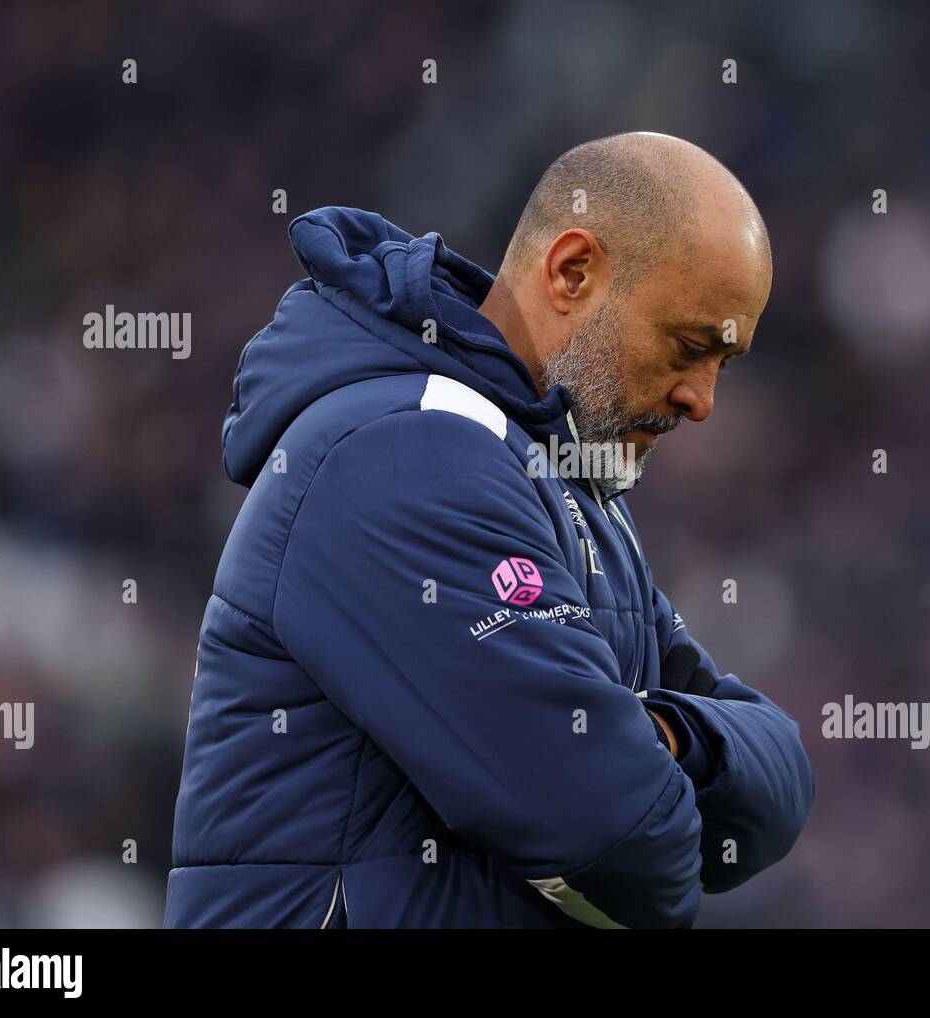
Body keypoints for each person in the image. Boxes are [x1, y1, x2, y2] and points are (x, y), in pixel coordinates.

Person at [164, 131, 815, 929]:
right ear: (573, 272)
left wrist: (669, 738)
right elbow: (624, 843)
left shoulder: (568, 483)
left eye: (725, 362)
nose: (702, 400)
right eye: (688, 348)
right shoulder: (406, 451)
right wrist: (645, 758)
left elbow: (775, 791)